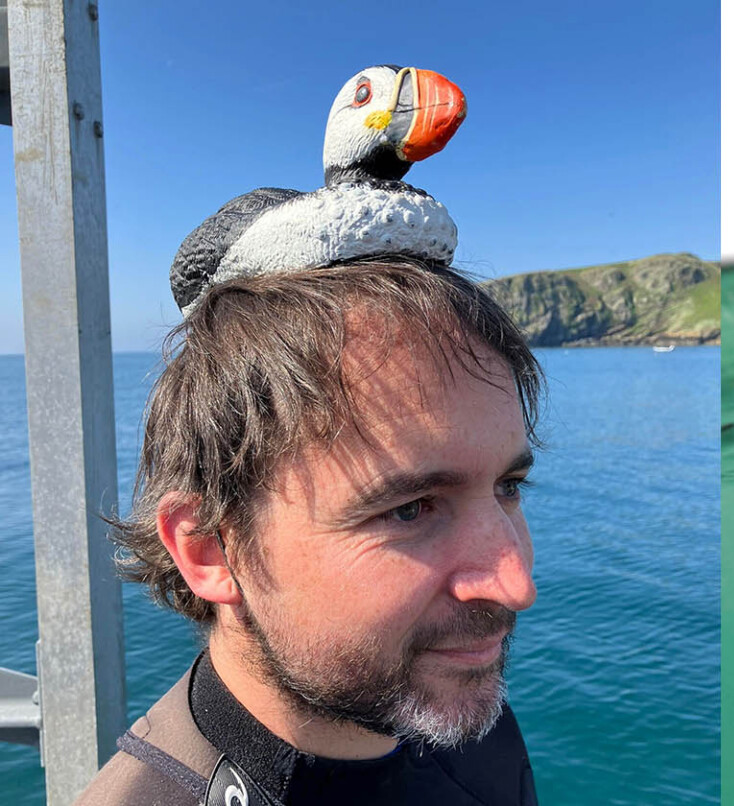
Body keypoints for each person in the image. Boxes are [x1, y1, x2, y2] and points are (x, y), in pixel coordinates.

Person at [75, 67, 544, 805]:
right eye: (410, 507)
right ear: (208, 548)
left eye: (509, 486)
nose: (517, 585)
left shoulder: (461, 712)